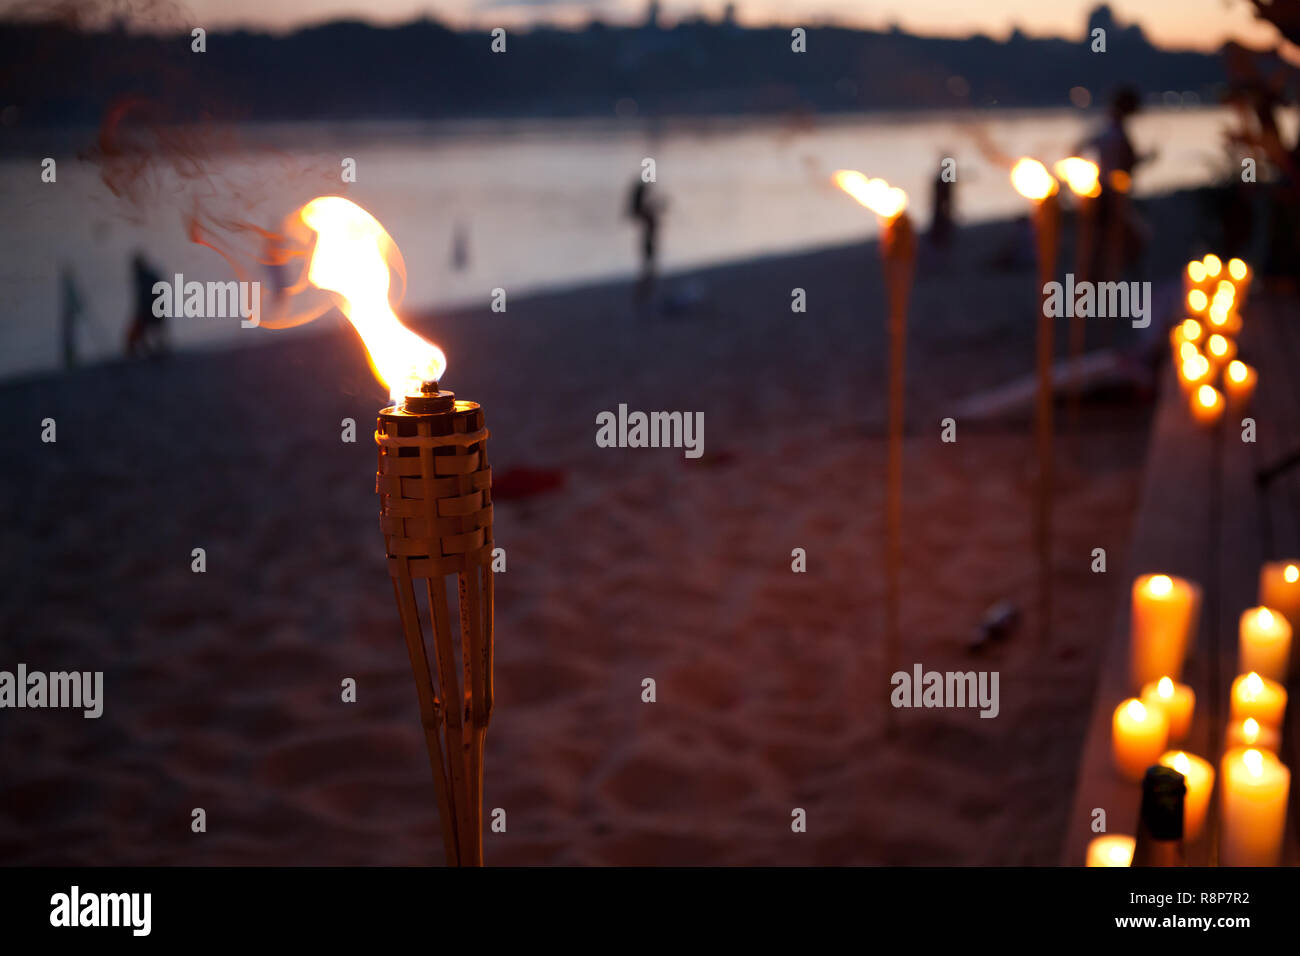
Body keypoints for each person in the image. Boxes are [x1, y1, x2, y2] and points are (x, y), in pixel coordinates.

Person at [1081, 87, 1156, 282]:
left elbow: (1081, 146)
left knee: (1104, 242)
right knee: (1119, 240)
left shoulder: (1107, 130)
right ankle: (1104, 284)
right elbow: (1124, 165)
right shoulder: (1116, 134)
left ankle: (1102, 284)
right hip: (1112, 196)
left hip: (1106, 193)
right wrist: (1146, 159)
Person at [627, 177, 663, 305]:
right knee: (648, 269)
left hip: (648, 243)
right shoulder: (645, 212)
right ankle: (644, 295)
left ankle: (644, 295)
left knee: (648, 269)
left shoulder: (645, 211)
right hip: (648, 244)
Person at [124, 250, 168, 358]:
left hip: (151, 313)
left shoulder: (145, 278)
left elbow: (147, 300)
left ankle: (152, 352)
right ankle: (150, 352)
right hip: (151, 312)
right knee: (136, 335)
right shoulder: (144, 278)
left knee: (140, 333)